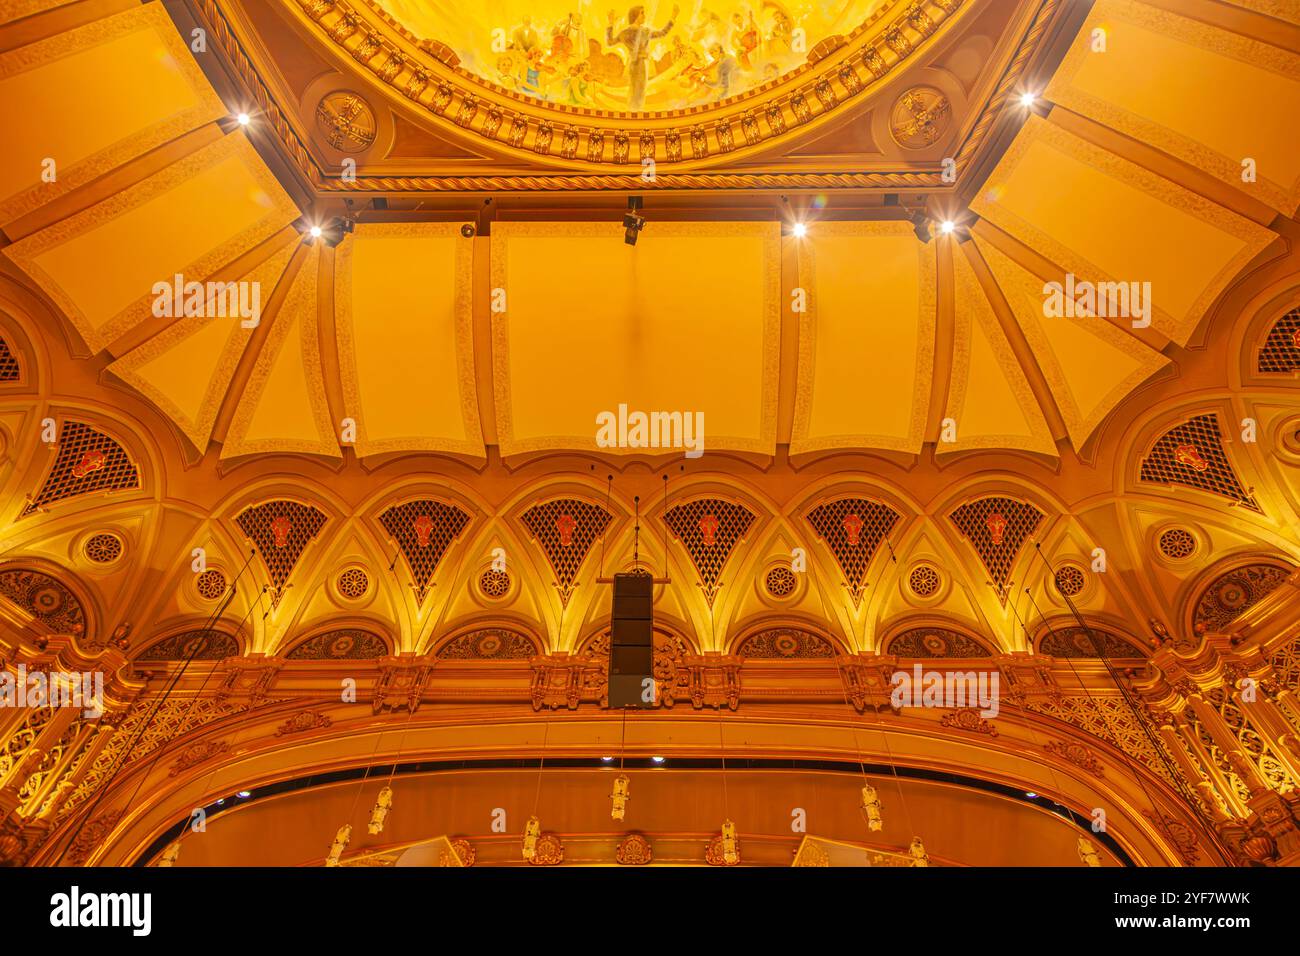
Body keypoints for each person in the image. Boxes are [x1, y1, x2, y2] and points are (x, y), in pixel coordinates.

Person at [607, 5, 680, 109]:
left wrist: (673, 18)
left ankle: (634, 110)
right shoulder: (640, 32)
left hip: (635, 63)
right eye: (642, 13)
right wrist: (610, 23)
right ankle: (635, 111)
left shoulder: (632, 32)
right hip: (639, 64)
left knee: (636, 89)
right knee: (639, 89)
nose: (644, 15)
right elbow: (610, 43)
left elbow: (610, 42)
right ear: (636, 16)